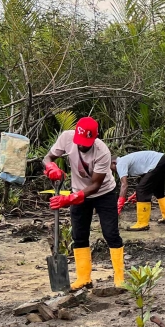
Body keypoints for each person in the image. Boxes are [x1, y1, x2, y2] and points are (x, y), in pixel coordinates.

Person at [43, 116, 124, 289]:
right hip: (77, 191)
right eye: (79, 141)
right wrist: (51, 167)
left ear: (94, 138)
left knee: (110, 233)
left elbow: (95, 185)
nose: (81, 145)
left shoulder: (103, 152)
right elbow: (47, 157)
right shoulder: (66, 137)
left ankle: (119, 278)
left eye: (86, 142)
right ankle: (84, 278)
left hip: (104, 193)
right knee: (79, 236)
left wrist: (69, 199)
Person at [112, 151, 165, 231]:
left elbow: (124, 185)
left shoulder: (120, 163)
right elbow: (146, 176)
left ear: (114, 163)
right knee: (158, 189)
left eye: (110, 167)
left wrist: (119, 206)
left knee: (141, 189)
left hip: (157, 162)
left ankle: (143, 223)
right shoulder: (126, 160)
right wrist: (136, 194)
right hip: (163, 160)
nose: (112, 171)